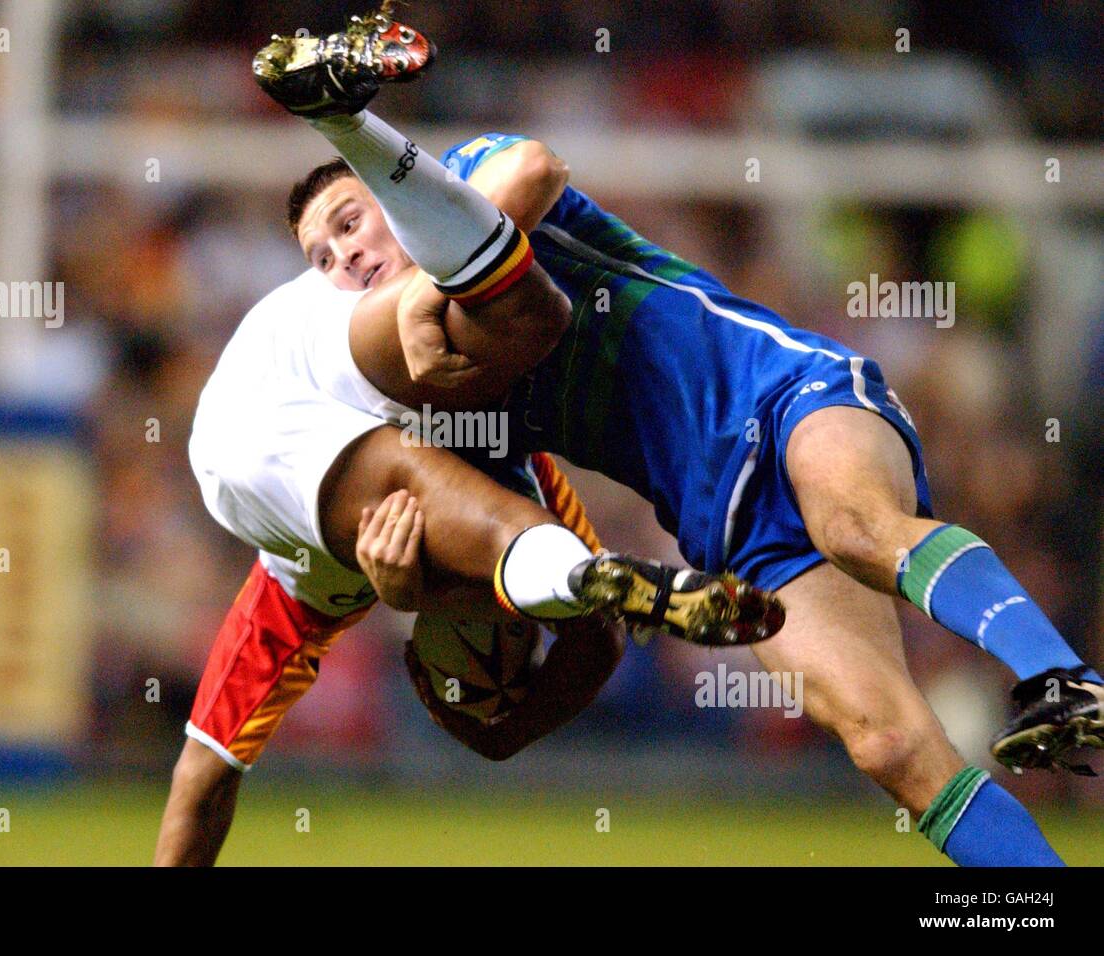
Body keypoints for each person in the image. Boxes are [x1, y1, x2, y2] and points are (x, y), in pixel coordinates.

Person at [254, 7, 1104, 865]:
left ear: (391, 190)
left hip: (780, 388)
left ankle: (1061, 677)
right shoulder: (446, 402)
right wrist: (414, 591)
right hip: (724, 526)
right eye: (320, 257)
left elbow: (537, 168)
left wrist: (437, 294)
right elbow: (514, 549)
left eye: (350, 221)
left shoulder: (463, 186)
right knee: (886, 743)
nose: (343, 255)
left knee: (857, 526)